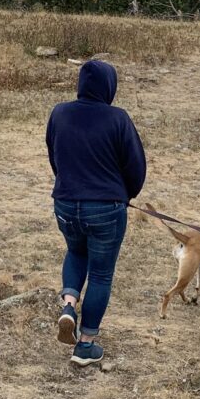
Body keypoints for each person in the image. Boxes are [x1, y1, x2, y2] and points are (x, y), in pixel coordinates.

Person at [46, 59, 146, 366]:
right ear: (109, 86)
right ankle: (86, 345)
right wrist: (124, 195)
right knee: (101, 273)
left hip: (65, 202)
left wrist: (69, 185)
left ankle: (68, 305)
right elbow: (136, 167)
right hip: (106, 207)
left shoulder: (59, 113)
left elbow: (54, 155)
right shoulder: (118, 118)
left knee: (76, 252)